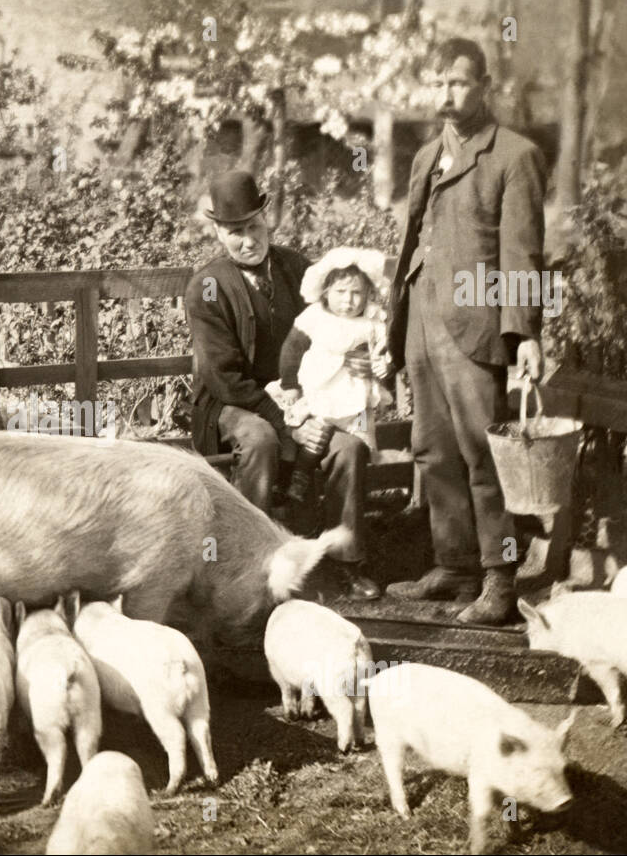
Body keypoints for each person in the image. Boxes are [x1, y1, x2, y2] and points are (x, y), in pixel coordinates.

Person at [384, 38, 547, 624]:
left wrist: (524, 332)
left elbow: (522, 254)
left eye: (457, 82)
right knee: (433, 449)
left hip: (475, 321)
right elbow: (411, 243)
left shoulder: (514, 156)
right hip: (422, 317)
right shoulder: (426, 155)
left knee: (484, 453)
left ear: (483, 86)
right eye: (439, 82)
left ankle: (500, 581)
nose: (446, 93)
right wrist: (395, 321)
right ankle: (454, 567)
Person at [185, 170, 379, 600]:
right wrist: (287, 421)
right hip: (232, 405)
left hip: (303, 399)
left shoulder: (298, 270)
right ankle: (250, 566)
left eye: (253, 226)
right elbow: (223, 377)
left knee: (348, 449)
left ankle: (344, 562)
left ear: (267, 219)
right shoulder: (209, 287)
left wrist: (359, 358)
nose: (248, 240)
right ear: (218, 232)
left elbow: (335, 325)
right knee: (260, 440)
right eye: (235, 232)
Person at [275, 247, 394, 505]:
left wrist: (383, 365)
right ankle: (299, 476)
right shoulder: (315, 317)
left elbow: (384, 353)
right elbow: (291, 350)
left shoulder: (373, 321)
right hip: (324, 391)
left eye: (356, 293)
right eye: (340, 292)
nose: (348, 301)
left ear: (368, 294)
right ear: (326, 292)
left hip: (359, 399)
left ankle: (361, 485)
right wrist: (290, 385)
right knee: (316, 435)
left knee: (362, 440)